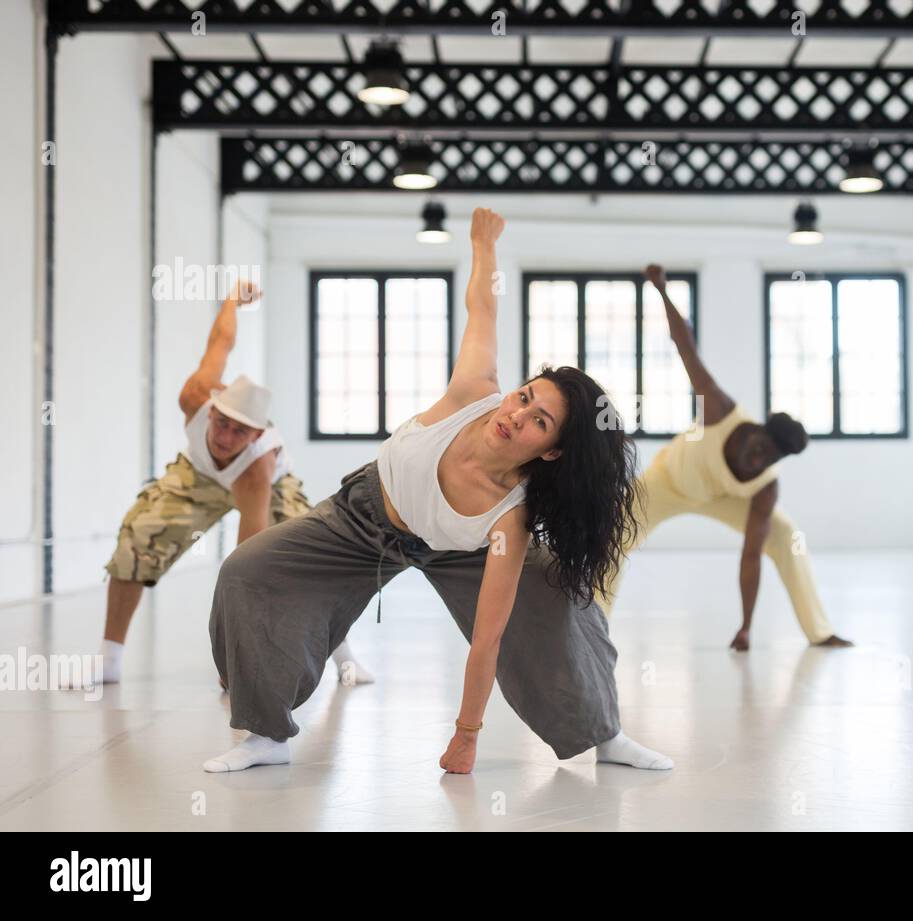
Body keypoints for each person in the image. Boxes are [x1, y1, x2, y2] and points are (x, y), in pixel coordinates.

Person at [203, 208, 672, 774]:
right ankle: (265, 735)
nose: (517, 415)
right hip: (364, 518)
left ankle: (605, 734)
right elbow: (484, 307)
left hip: (462, 547)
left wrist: (467, 735)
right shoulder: (473, 391)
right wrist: (483, 244)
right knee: (248, 570)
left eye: (540, 422)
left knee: (559, 604)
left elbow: (487, 639)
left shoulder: (510, 520)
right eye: (525, 397)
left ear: (551, 451)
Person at [92, 282, 370, 687]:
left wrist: (235, 659)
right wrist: (231, 301)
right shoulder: (195, 397)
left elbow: (247, 563)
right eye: (221, 423)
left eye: (239, 432)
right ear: (213, 409)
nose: (224, 437)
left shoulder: (258, 467)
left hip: (270, 487)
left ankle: (344, 658)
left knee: (313, 564)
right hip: (198, 473)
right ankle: (108, 660)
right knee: (137, 537)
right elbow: (220, 341)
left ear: (256, 437)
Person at [596, 264, 852, 652]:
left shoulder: (765, 488)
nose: (758, 461)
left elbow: (752, 555)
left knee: (787, 537)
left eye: (770, 460)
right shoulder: (717, 407)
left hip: (723, 497)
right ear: (757, 430)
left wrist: (746, 626)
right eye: (760, 449)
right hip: (667, 482)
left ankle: (820, 631)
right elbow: (685, 347)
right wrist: (662, 291)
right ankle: (595, 627)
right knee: (613, 534)